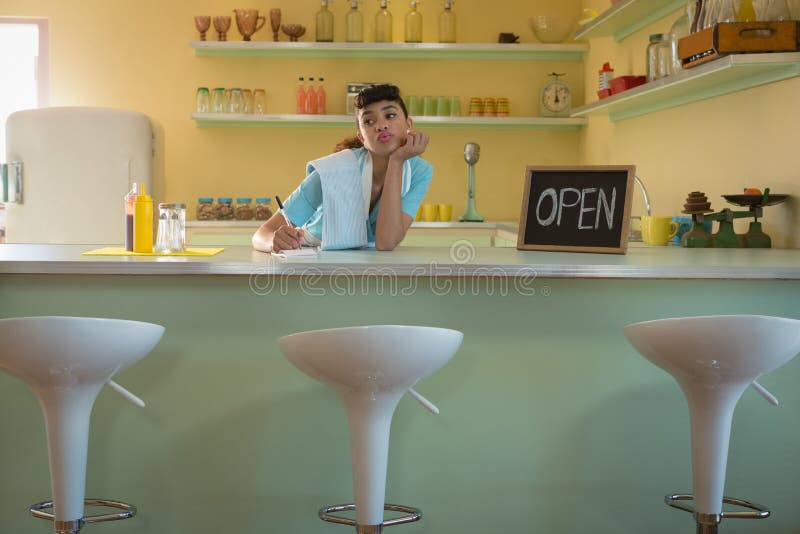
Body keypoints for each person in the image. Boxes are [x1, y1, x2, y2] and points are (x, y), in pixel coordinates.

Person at [252, 84, 431, 252]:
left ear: (409, 124)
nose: (381, 125)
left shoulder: (419, 172)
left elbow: (386, 242)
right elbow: (261, 234)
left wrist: (396, 161)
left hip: (368, 268)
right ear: (361, 138)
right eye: (369, 121)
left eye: (390, 116)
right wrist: (273, 241)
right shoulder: (332, 170)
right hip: (312, 257)